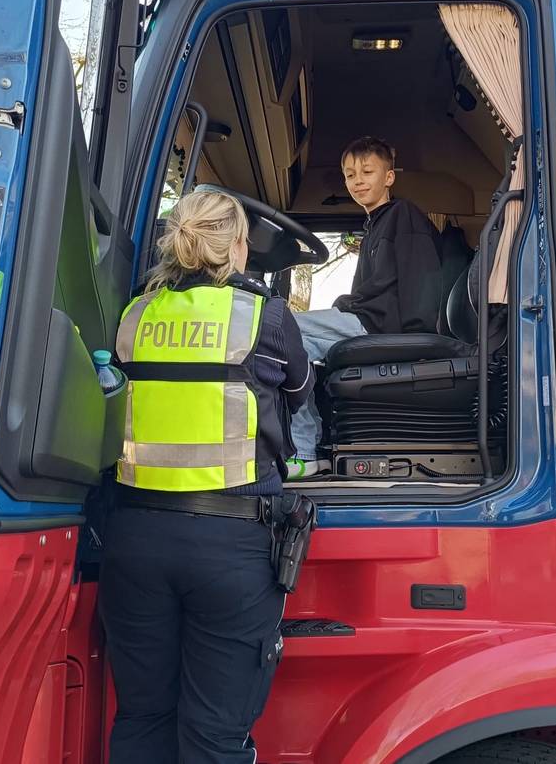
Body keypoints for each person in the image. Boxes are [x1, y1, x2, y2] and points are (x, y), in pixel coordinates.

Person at [99, 189, 314, 764]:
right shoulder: (264, 315)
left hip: (135, 543)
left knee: (142, 718)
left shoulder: (135, 313)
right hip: (231, 549)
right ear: (239, 247)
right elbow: (298, 391)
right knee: (214, 738)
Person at [288, 136, 442, 475]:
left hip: (380, 325)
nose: (357, 181)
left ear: (388, 177)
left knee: (285, 327)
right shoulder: (373, 226)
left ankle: (303, 450)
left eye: (367, 171)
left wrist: (417, 339)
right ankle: (311, 448)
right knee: (297, 342)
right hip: (367, 318)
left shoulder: (403, 216)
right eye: (349, 174)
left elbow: (421, 276)